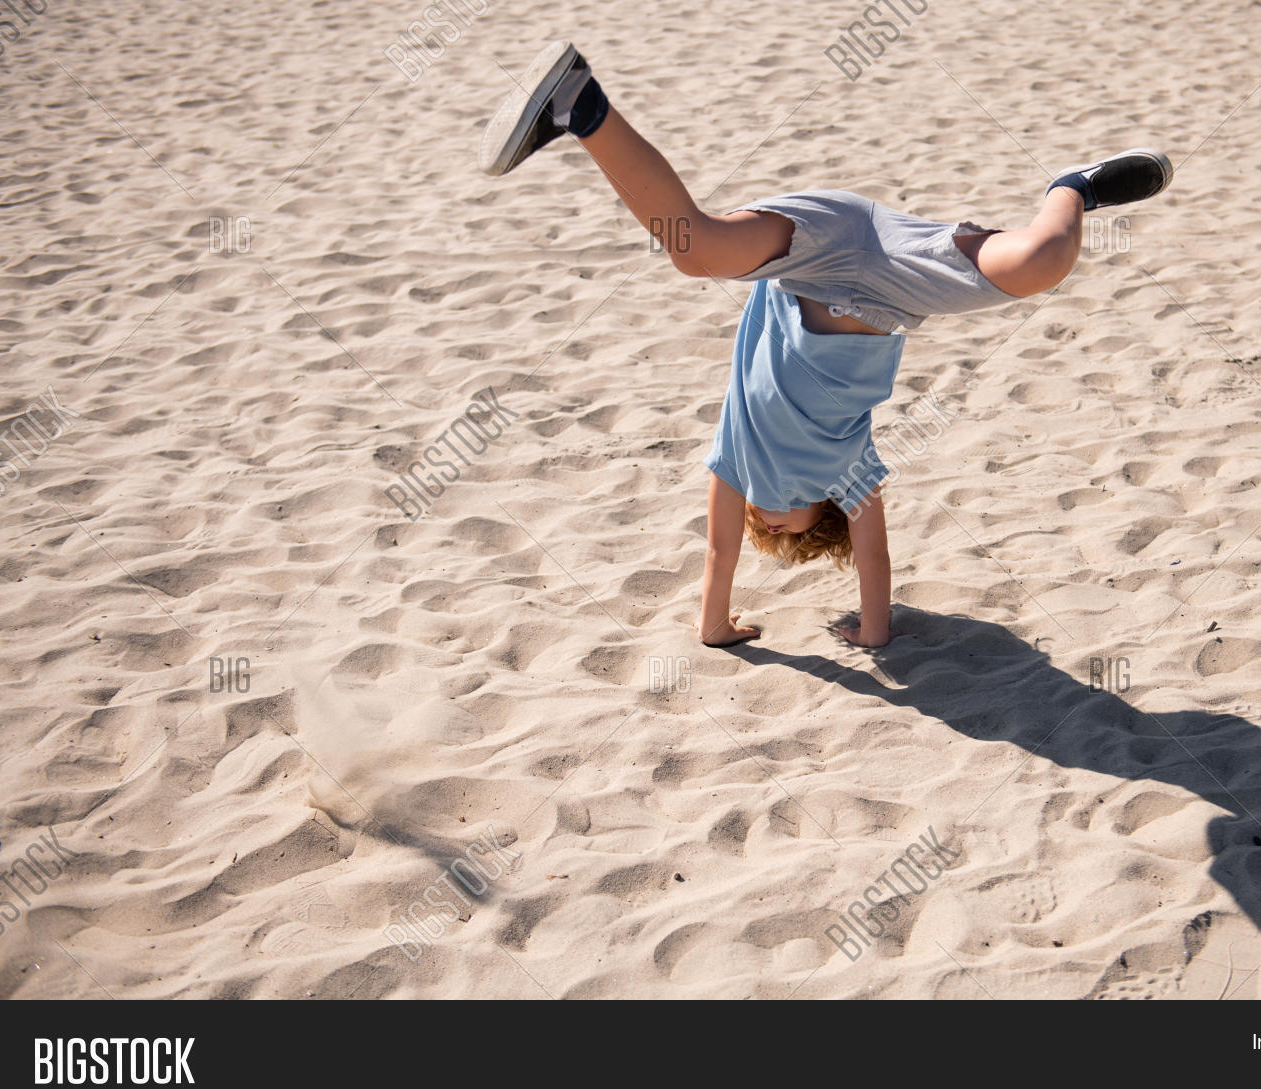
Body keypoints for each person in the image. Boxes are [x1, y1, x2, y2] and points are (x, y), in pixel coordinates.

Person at [480, 42, 1172, 648]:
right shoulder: (852, 476)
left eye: (766, 525)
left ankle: (578, 103)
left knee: (693, 250)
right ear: (826, 515)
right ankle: (1072, 188)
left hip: (810, 262)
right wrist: (875, 632)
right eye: (791, 529)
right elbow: (873, 565)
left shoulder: (736, 456)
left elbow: (720, 553)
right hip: (890, 290)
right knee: (1043, 263)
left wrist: (713, 625)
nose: (773, 520)